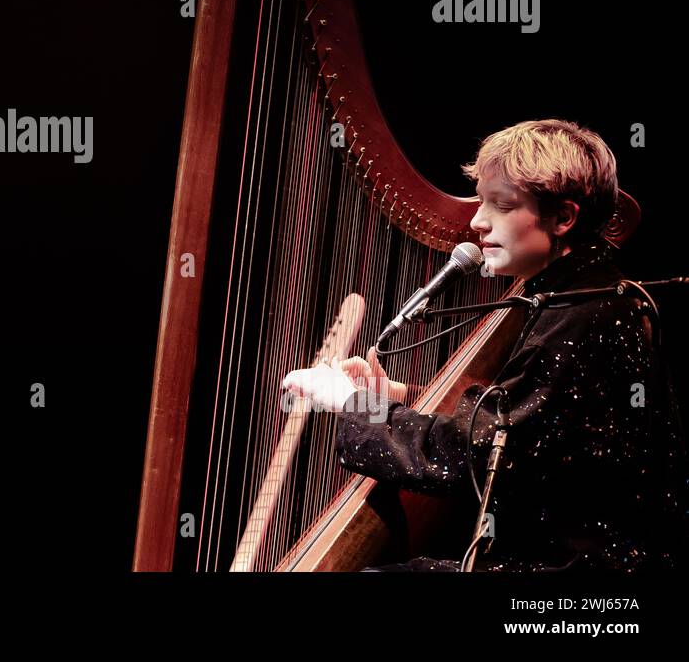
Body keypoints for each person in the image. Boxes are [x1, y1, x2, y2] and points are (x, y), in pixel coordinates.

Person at [281, 119, 687, 571]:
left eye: (501, 204)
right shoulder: (573, 300)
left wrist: (349, 401)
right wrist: (396, 400)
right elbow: (531, 426)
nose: (476, 220)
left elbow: (473, 453)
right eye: (481, 201)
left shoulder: (588, 315)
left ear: (564, 218)